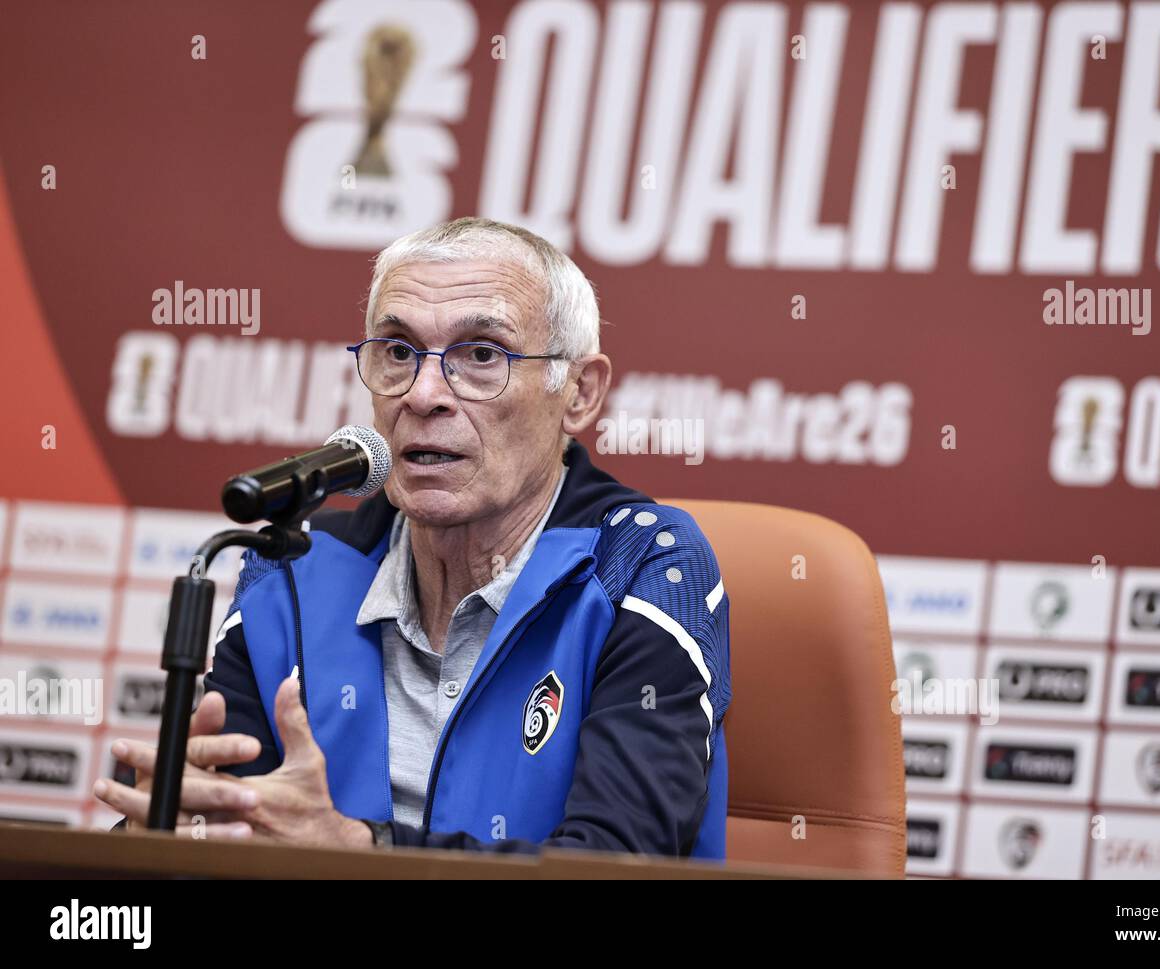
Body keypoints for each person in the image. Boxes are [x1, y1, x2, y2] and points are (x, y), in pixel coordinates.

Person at [95, 217, 732, 859]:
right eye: (399, 352)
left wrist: (354, 852)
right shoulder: (295, 570)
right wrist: (165, 835)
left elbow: (617, 865)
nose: (424, 395)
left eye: (482, 355)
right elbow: (228, 824)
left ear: (579, 394)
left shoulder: (644, 566)